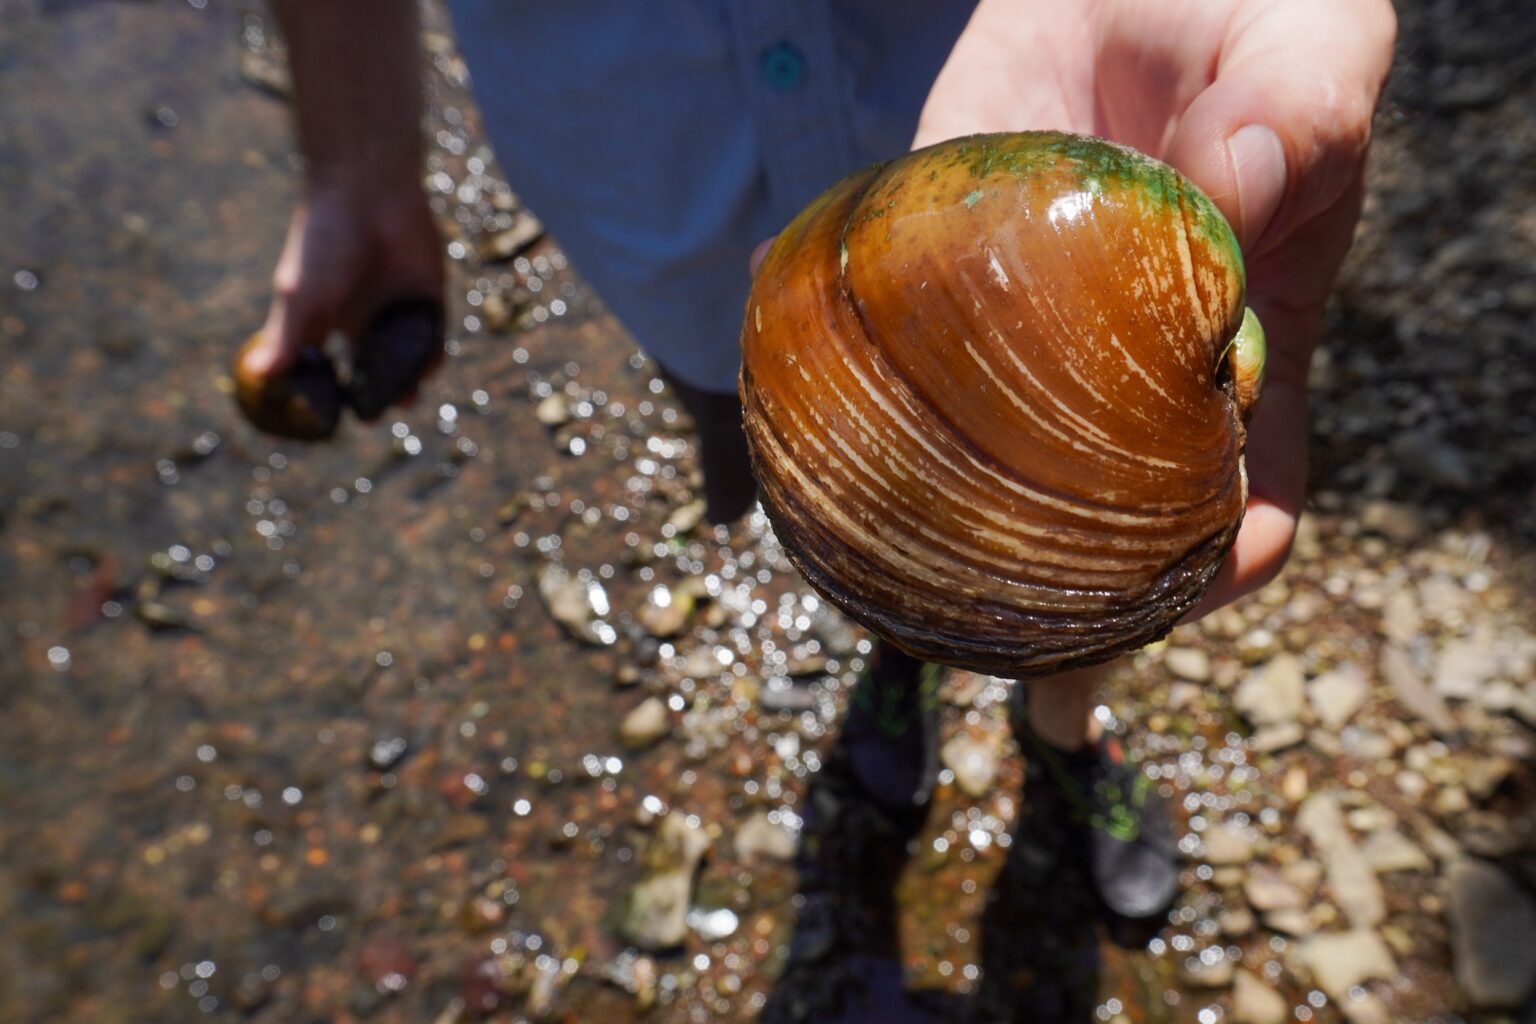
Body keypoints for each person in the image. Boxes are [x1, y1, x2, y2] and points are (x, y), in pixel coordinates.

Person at [239, 0, 1396, 1001]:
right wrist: (355, 159)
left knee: (1083, 559)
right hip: (670, 221)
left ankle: (1063, 729)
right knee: (866, 512)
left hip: (1044, 71)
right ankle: (902, 665)